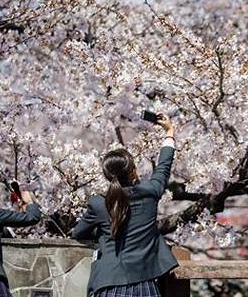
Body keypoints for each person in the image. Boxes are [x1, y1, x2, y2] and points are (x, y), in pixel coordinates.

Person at [72, 113, 178, 297]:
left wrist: (104, 231)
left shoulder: (99, 203)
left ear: (107, 176)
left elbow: (79, 233)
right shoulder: (151, 192)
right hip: (144, 284)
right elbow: (163, 167)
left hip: (108, 283)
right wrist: (169, 132)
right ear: (134, 171)